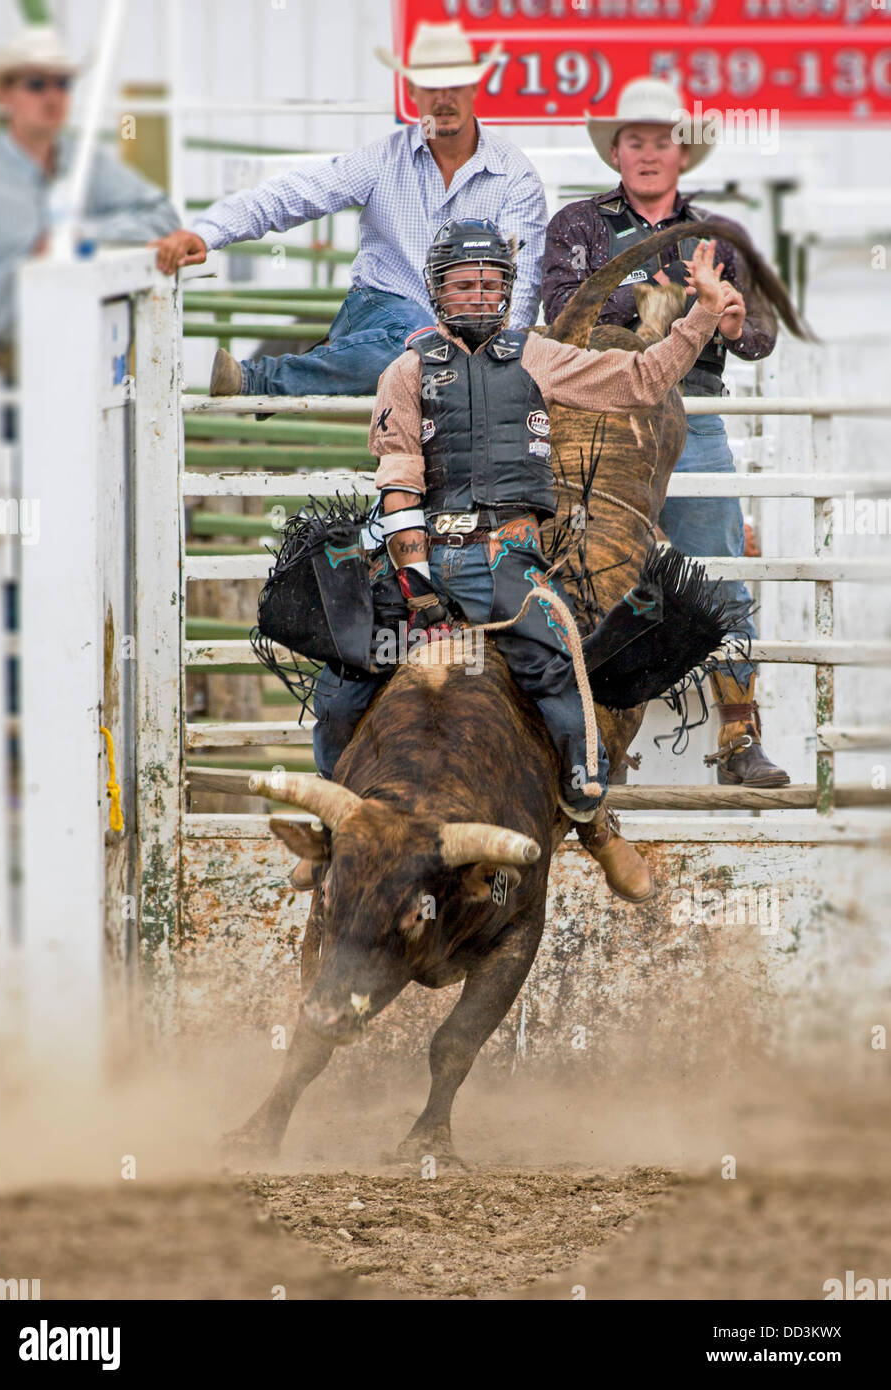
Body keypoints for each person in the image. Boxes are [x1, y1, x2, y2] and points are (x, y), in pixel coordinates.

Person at [302, 218, 740, 904]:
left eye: (489, 284)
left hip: (505, 561)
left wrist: (705, 312)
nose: (477, 296)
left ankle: (595, 822)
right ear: (437, 290)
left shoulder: (537, 357)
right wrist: (416, 582)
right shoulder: (406, 371)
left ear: (506, 291)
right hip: (421, 553)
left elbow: (643, 380)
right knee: (340, 688)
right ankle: (336, 831)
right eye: (463, 284)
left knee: (562, 676)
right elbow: (399, 479)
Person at [541, 77, 789, 788]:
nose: (648, 154)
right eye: (635, 141)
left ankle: (740, 738)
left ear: (683, 155)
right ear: (616, 152)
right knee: (587, 574)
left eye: (661, 142)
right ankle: (594, 742)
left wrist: (735, 320)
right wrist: (675, 295)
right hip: (601, 419)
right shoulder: (576, 226)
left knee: (720, 575)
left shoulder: (719, 238)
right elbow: (562, 309)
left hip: (694, 410)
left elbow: (761, 336)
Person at [152, 22, 548, 398]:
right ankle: (262, 380)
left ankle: (265, 378)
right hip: (381, 305)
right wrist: (207, 232)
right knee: (426, 342)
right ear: (411, 89)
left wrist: (495, 358)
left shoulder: (515, 176)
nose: (443, 99)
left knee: (439, 356)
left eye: (454, 86)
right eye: (431, 86)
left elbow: (521, 284)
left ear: (474, 87)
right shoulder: (384, 160)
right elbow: (294, 194)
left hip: (467, 333)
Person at [0, 24, 179, 457]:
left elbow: (162, 214)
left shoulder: (84, 164)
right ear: (6, 94)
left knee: (54, 483)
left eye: (63, 84)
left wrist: (81, 236)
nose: (53, 96)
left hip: (58, 365)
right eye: (36, 84)